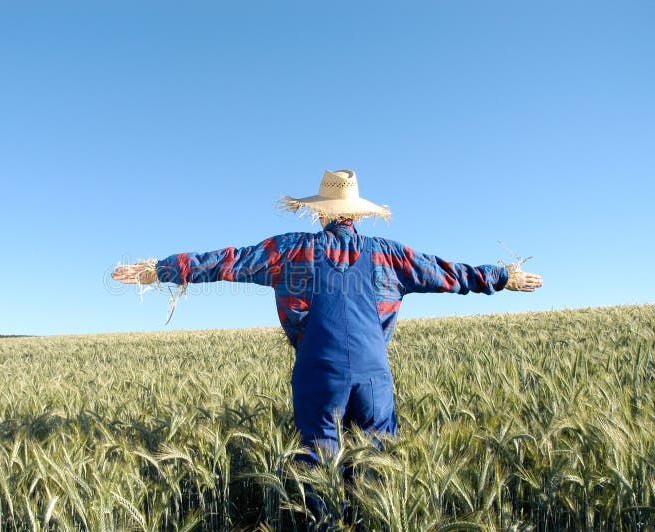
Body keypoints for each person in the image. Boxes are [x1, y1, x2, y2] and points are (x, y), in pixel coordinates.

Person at [112, 169, 542, 519]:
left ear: (320, 214)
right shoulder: (388, 255)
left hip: (318, 376)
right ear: (358, 215)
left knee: (319, 475)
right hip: (375, 379)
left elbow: (228, 262)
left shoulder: (289, 250)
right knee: (376, 472)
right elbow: (449, 273)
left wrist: (160, 269)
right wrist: (503, 277)